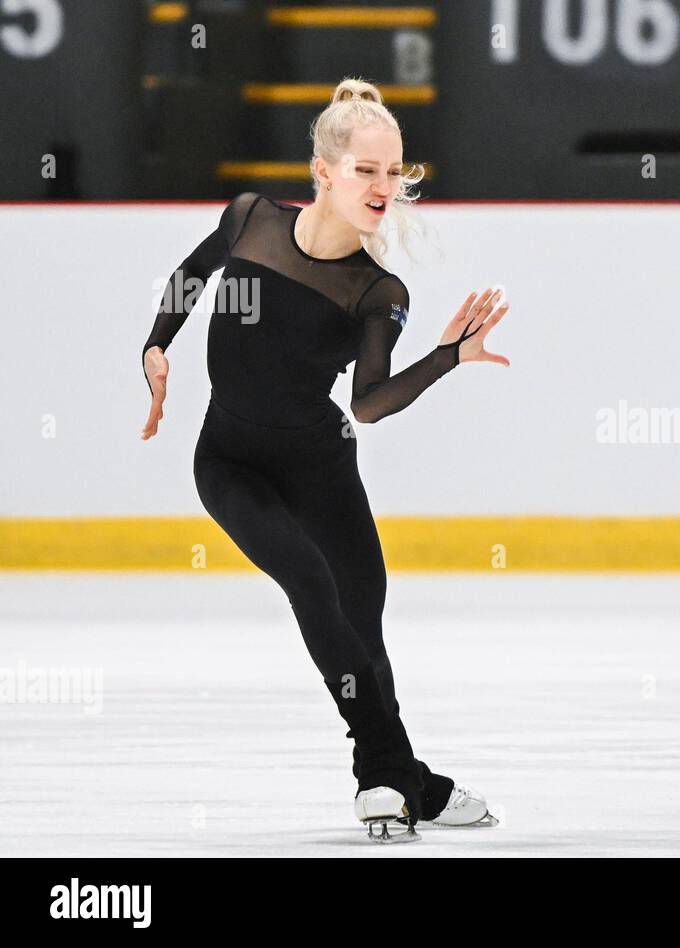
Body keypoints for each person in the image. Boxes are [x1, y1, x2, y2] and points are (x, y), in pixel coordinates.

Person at [139, 78, 511, 841]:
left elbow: (368, 403)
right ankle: (380, 775)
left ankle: (409, 779)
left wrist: (447, 356)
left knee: (364, 631)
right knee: (309, 582)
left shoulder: (377, 291)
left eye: (394, 172)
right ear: (325, 173)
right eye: (366, 171)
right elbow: (189, 276)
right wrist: (155, 345)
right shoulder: (249, 219)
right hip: (231, 464)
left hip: (322, 471)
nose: (384, 188)